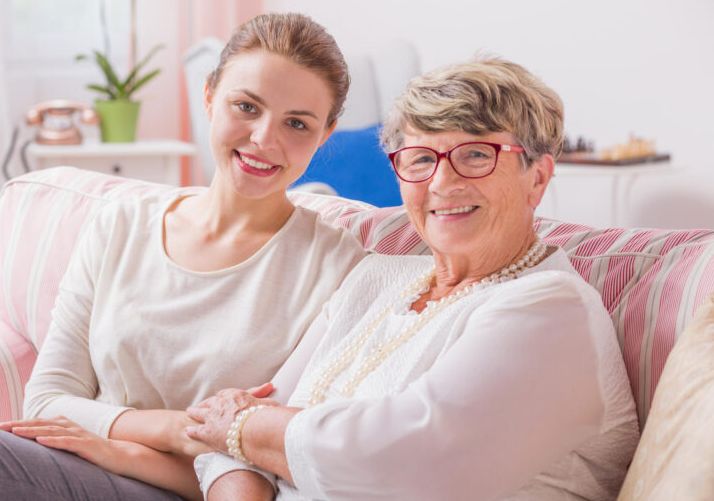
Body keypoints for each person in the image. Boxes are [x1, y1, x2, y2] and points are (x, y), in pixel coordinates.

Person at [0, 13, 365, 500]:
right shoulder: (120, 225)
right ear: (209, 97)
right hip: (82, 467)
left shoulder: (337, 266)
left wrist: (128, 452)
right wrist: (168, 430)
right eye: (247, 107)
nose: (264, 139)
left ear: (325, 135)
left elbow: (288, 458)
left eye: (297, 123)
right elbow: (46, 400)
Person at [184, 58, 641, 500]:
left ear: (537, 178)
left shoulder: (552, 308)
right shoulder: (374, 277)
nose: (442, 182)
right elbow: (232, 447)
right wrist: (245, 434)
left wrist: (245, 426)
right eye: (421, 158)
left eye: (476, 154)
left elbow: (405, 466)